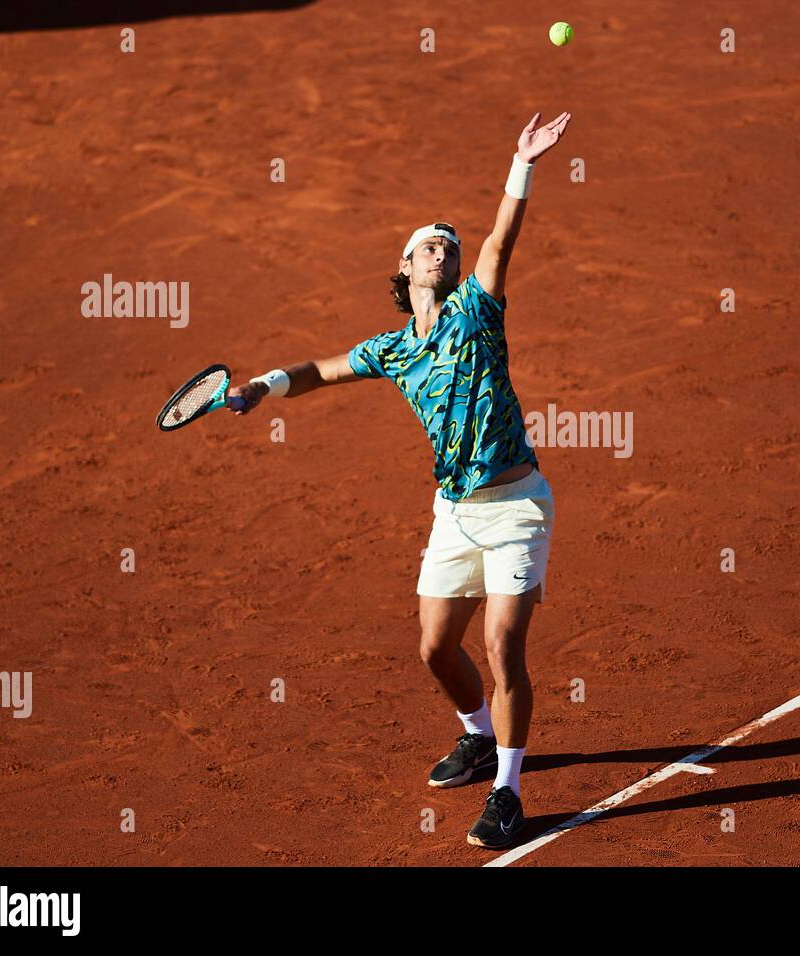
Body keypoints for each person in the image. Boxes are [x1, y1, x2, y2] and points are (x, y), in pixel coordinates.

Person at [227, 111, 572, 849]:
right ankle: (479, 737)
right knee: (434, 649)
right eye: (426, 244)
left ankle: (508, 791)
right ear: (406, 270)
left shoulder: (478, 309)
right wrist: (262, 383)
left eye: (446, 242)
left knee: (503, 644)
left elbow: (501, 238)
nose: (441, 244)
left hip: (516, 504)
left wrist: (523, 164)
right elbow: (322, 371)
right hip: (453, 513)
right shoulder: (393, 349)